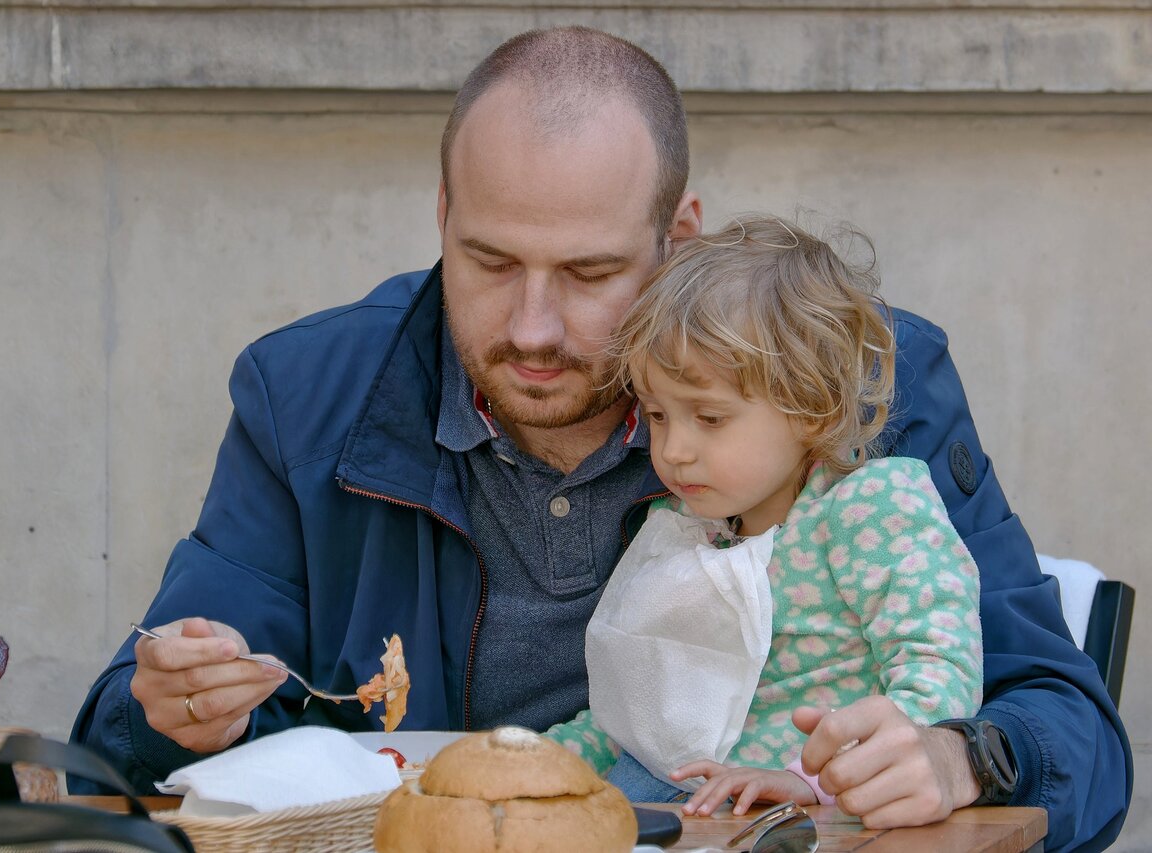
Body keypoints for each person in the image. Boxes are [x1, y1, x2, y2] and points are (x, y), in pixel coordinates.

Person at [70, 25, 1130, 851]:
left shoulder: (845, 381)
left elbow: (1075, 733)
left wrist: (961, 756)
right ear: (442, 213)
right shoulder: (305, 395)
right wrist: (176, 711)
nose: (532, 327)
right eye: (487, 262)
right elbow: (114, 748)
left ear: (678, 239)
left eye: (586, 275)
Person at [545, 214, 984, 816]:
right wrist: (535, 757)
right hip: (670, 807)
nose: (672, 451)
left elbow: (938, 670)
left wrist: (819, 780)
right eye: (657, 414)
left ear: (811, 406)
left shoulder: (869, 510)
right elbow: (633, 711)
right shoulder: (690, 525)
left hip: (812, 820)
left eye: (710, 417)